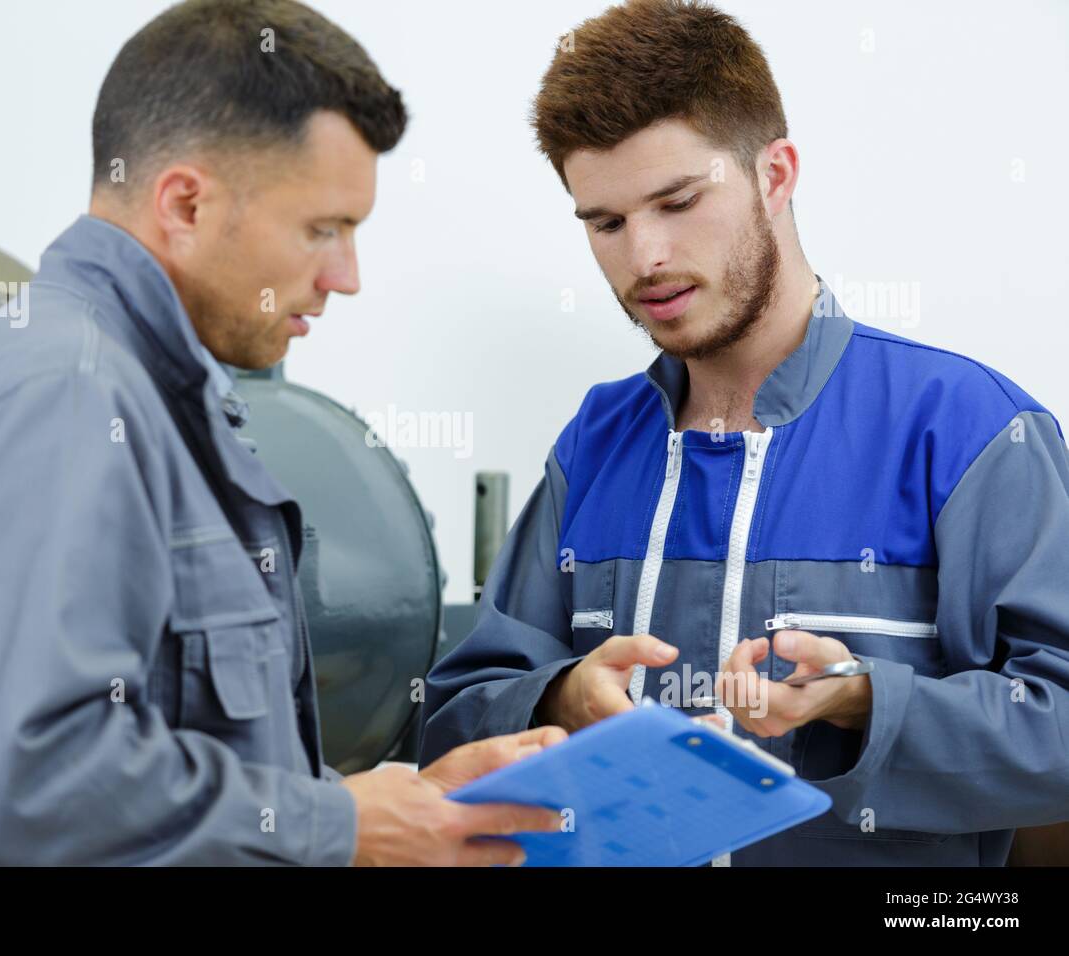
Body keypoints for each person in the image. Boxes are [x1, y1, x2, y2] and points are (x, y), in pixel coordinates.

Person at [0, 0, 565, 866]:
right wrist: (343, 827)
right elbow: (25, 783)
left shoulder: (149, 395)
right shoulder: (67, 395)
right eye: (324, 229)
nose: (345, 277)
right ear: (185, 204)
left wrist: (399, 805)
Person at [420, 0, 1069, 866]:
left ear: (776, 173)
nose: (643, 256)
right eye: (605, 223)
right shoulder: (594, 443)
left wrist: (865, 701)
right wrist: (558, 699)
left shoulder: (972, 430)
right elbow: (451, 722)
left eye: (678, 201)